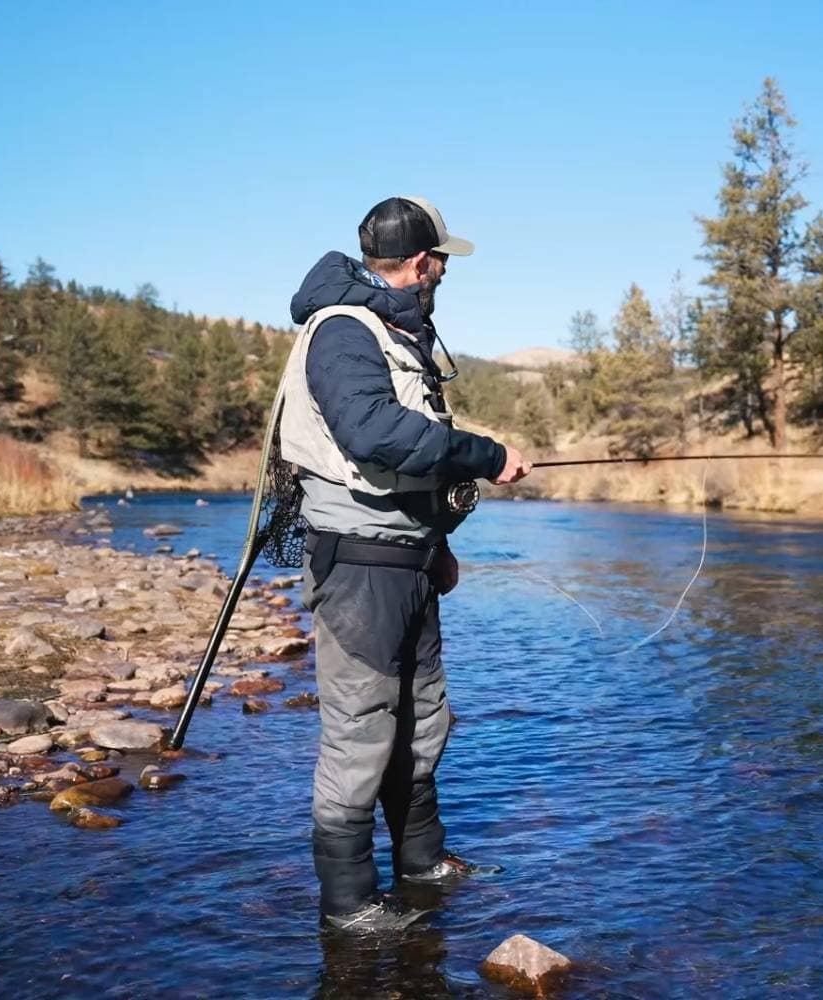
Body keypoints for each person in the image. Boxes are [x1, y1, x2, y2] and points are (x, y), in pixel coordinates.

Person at [280, 195, 531, 934]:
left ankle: (421, 861)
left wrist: (438, 546)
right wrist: (487, 455)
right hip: (357, 566)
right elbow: (379, 437)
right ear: (422, 263)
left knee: (423, 720)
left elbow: (411, 464)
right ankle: (349, 905)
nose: (446, 271)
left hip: (407, 560)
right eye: (443, 259)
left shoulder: (394, 332)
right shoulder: (343, 333)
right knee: (360, 729)